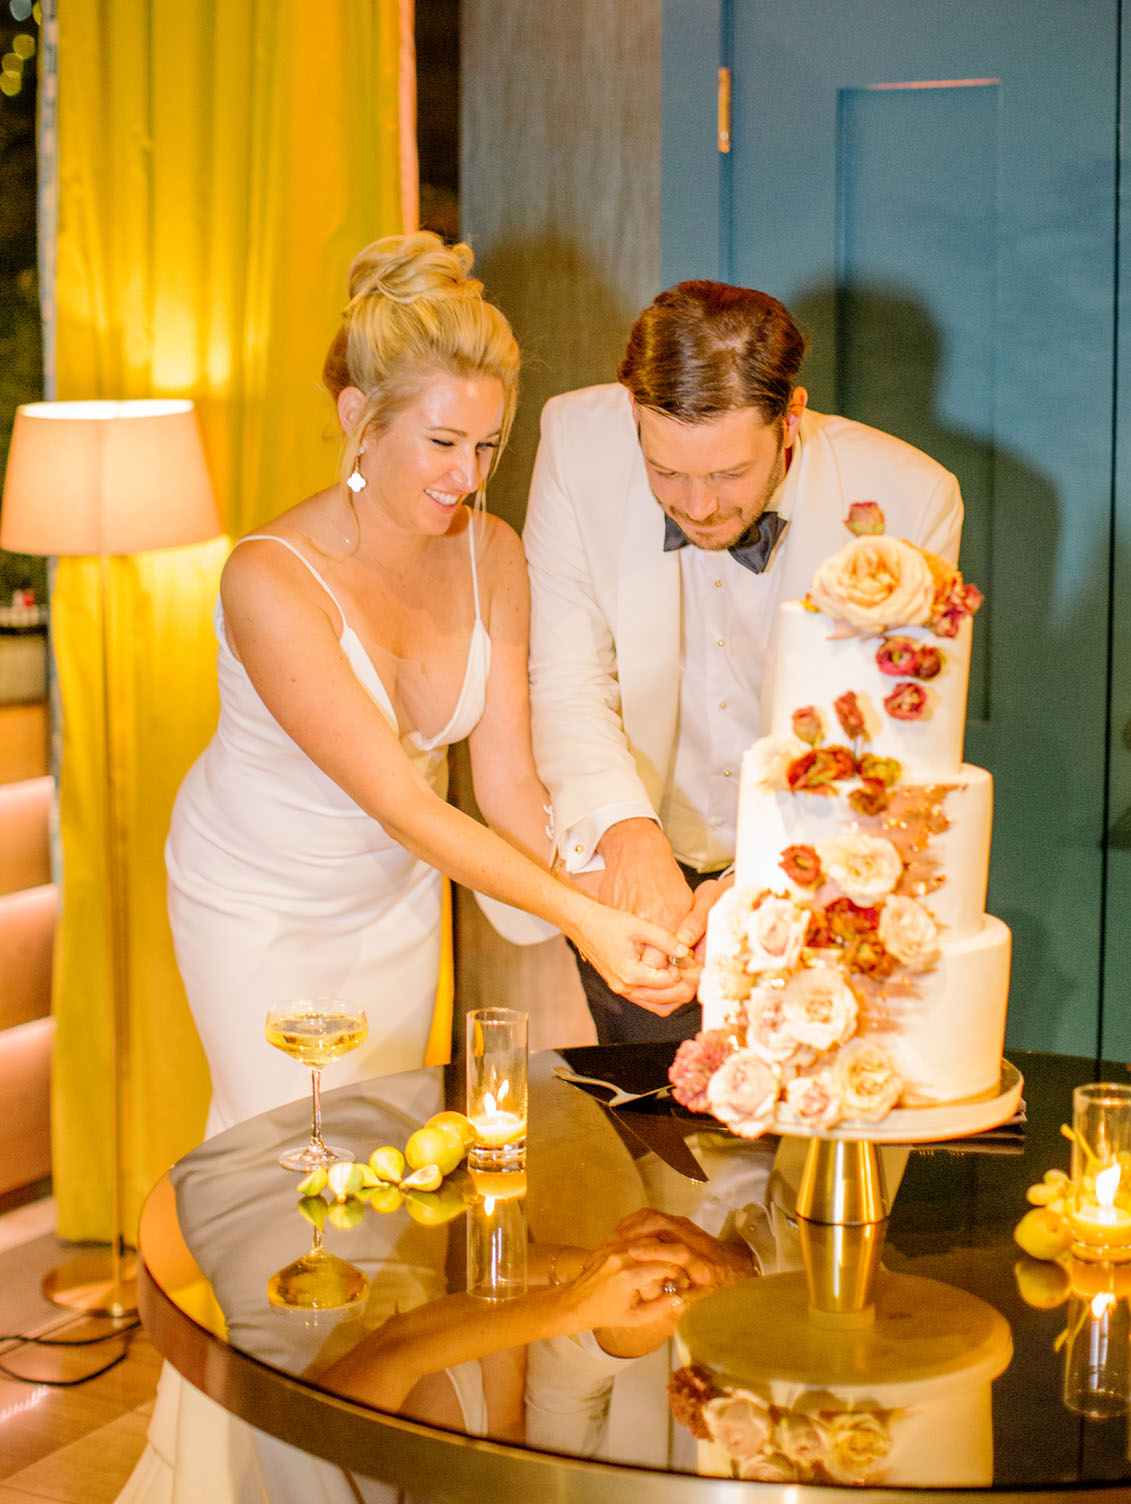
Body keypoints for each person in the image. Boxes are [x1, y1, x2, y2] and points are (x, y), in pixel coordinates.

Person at [166, 233, 696, 1137]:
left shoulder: (493, 555)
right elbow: (400, 803)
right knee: (282, 1151)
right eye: (443, 440)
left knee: (380, 1151)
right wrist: (581, 918)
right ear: (359, 418)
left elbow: (506, 786)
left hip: (397, 897)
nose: (469, 476)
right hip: (259, 900)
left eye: (487, 445)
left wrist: (613, 902)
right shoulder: (270, 579)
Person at [524, 279, 963, 1044]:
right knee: (653, 1135)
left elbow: (887, 755)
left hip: (822, 872)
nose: (696, 506)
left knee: (808, 1137)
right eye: (666, 470)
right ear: (635, 415)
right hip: (638, 862)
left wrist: (754, 882)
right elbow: (567, 677)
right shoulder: (574, 441)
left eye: (726, 475)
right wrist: (629, 839)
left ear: (790, 418)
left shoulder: (909, 500)